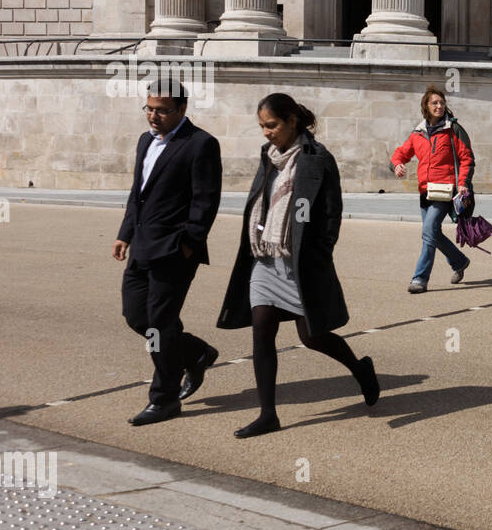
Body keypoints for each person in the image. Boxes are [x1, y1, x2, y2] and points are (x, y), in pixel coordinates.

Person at [217, 93, 379, 438]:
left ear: (292, 120)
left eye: (271, 125)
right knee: (261, 327)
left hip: (299, 261)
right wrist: (258, 231)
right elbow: (262, 198)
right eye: (261, 126)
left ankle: (360, 368)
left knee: (312, 336)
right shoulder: (269, 156)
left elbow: (331, 211)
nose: (266, 133)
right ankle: (268, 414)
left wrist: (321, 251)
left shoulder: (317, 158)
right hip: (265, 256)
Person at [113, 78, 222, 427]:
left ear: (182, 109)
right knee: (136, 316)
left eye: (162, 110)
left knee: (159, 324)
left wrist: (189, 242)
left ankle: (164, 399)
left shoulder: (201, 144)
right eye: (149, 109)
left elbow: (206, 199)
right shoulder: (146, 141)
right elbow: (138, 192)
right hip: (142, 245)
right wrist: (124, 233)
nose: (153, 116)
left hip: (175, 250)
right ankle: (195, 352)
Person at [391, 86, 475, 293]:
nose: (439, 106)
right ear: (426, 107)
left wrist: (463, 182)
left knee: (427, 232)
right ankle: (459, 261)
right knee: (434, 233)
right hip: (425, 191)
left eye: (441, 102)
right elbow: (401, 153)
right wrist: (397, 164)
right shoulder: (417, 133)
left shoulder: (453, 129)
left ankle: (420, 278)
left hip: (445, 190)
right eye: (434, 103)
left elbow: (467, 158)